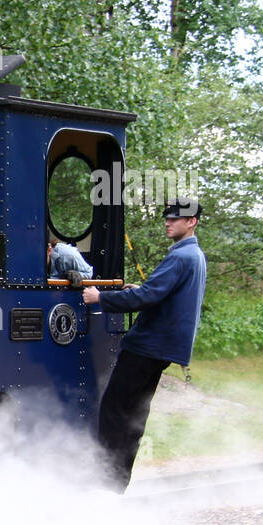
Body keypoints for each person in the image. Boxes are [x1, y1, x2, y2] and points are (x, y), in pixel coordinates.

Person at [82, 197, 207, 491]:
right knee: (134, 416)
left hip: (146, 346)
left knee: (114, 412)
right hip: (162, 349)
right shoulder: (195, 255)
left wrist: (100, 298)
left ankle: (104, 484)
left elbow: (145, 299)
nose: (168, 221)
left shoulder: (180, 257)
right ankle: (116, 485)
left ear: (192, 222)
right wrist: (143, 289)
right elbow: (158, 294)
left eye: (175, 218)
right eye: (167, 217)